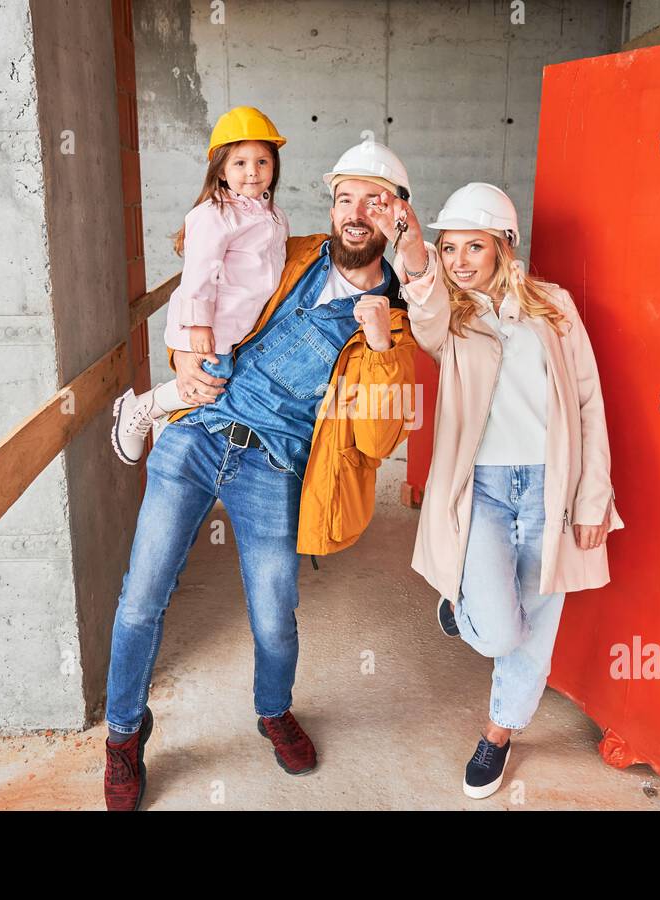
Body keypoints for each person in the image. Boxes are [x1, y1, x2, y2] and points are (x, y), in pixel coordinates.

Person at [102, 139, 448, 811]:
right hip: (198, 433)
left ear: (397, 215)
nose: (355, 214)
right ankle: (123, 734)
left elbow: (378, 439)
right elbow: (210, 284)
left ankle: (272, 710)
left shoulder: (399, 318)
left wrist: (380, 346)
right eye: (344, 198)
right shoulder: (290, 251)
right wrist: (182, 359)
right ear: (331, 206)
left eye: (373, 203)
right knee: (142, 596)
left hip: (274, 463)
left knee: (274, 617)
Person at [400, 182, 624, 799]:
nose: (459, 261)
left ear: (504, 245)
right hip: (484, 492)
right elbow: (424, 310)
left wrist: (592, 499)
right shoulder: (450, 315)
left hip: (551, 490)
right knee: (501, 631)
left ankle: (498, 735)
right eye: (449, 248)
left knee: (538, 628)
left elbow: (589, 402)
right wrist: (415, 251)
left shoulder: (554, 307)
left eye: (473, 246)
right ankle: (460, 607)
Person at [111, 106, 290, 463]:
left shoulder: (274, 216)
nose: (252, 171)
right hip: (211, 327)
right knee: (207, 385)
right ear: (221, 170)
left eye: (262, 162)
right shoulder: (215, 214)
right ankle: (145, 408)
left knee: (219, 386)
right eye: (240, 163)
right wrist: (199, 324)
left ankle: (174, 422)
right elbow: (199, 273)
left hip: (239, 326)